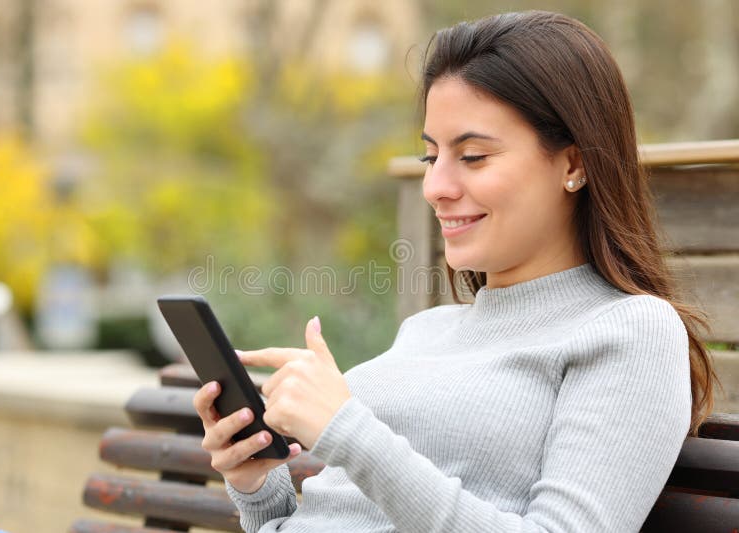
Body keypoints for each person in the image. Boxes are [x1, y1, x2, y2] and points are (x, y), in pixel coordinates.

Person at [193, 10, 719, 533]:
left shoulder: (631, 330)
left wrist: (348, 430)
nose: (435, 187)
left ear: (574, 164)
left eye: (472, 156)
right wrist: (258, 486)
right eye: (430, 158)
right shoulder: (426, 329)